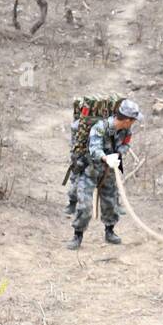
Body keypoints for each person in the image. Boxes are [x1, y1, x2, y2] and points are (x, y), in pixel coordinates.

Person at [67, 99, 141, 249]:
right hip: (90, 170)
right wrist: (106, 157)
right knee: (85, 205)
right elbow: (94, 147)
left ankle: (110, 231)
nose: (134, 123)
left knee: (110, 203)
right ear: (127, 119)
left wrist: (119, 154)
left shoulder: (127, 130)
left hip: (109, 172)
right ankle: (77, 235)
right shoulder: (100, 127)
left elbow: (126, 144)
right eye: (133, 120)